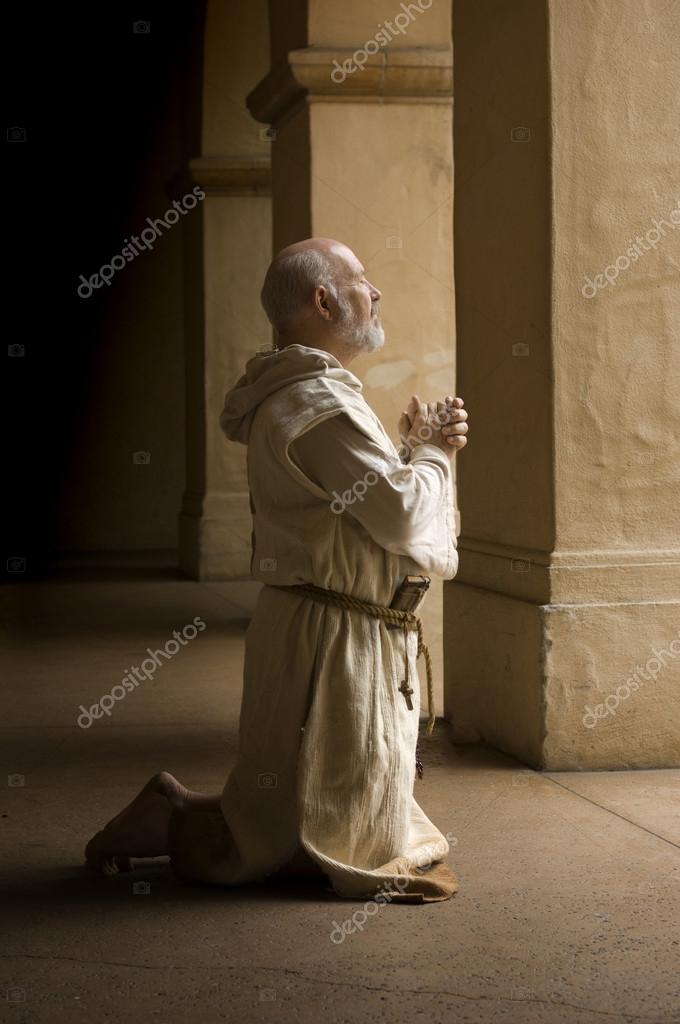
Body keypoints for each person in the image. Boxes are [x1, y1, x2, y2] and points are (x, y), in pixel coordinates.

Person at [85, 237, 469, 903]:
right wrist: (433, 454)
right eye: (361, 279)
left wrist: (413, 448)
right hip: (334, 636)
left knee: (305, 811)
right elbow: (403, 518)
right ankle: (175, 819)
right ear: (323, 299)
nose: (375, 292)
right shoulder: (314, 405)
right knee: (333, 842)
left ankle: (173, 809)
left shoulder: (314, 398)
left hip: (337, 627)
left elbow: (366, 504)